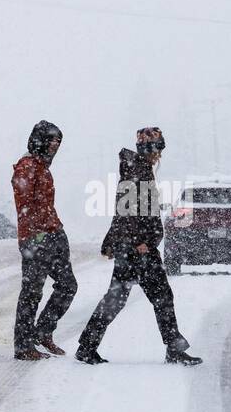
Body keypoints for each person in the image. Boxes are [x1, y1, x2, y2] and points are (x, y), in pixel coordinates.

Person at [76, 127, 202, 366]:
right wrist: (138, 242)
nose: (159, 155)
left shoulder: (140, 168)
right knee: (157, 296)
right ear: (147, 149)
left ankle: (87, 346)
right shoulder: (136, 169)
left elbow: (124, 210)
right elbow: (126, 210)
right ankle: (173, 349)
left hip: (135, 246)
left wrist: (114, 239)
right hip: (138, 249)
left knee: (124, 297)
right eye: (157, 149)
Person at [11, 120, 76, 360]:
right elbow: (25, 206)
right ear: (39, 140)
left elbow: (45, 206)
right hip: (35, 238)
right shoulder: (27, 166)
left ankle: (43, 332)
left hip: (52, 234)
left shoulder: (43, 167)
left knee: (68, 286)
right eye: (51, 139)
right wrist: (39, 235)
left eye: (58, 140)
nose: (55, 145)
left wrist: (56, 230)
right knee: (31, 291)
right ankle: (23, 346)